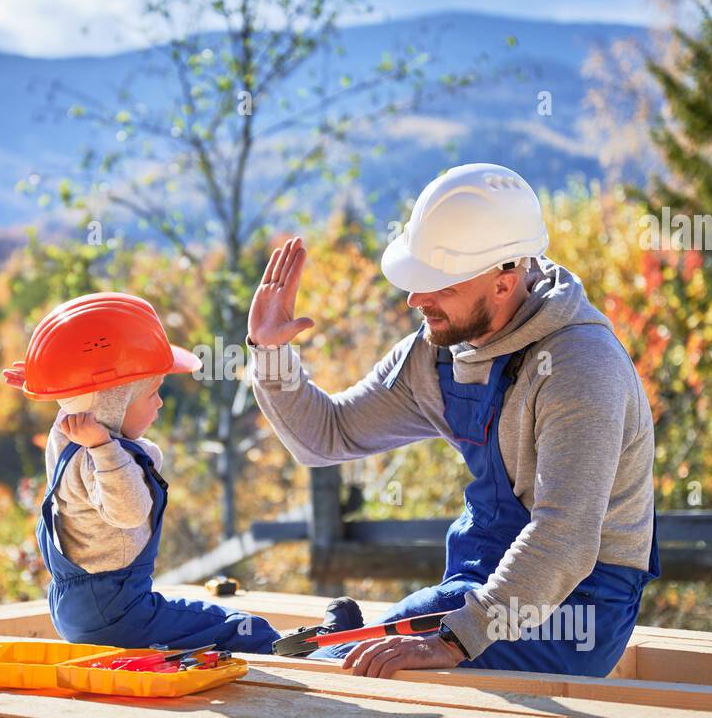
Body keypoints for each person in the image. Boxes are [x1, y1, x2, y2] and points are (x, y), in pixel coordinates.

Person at [246, 163, 661, 679]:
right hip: (474, 596)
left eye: (437, 285)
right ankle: (330, 646)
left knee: (352, 667)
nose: (415, 300)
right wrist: (269, 355)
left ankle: (326, 651)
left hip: (574, 613)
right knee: (365, 653)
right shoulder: (439, 350)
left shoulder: (578, 365)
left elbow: (566, 539)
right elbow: (326, 436)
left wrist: (453, 639)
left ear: (505, 281)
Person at [3, 291, 360, 652]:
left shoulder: (66, 440)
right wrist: (103, 447)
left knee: (199, 632)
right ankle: (317, 649)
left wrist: (53, 380)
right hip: (120, 614)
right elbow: (129, 511)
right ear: (116, 402)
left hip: (74, 611)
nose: (159, 402)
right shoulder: (99, 455)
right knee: (240, 628)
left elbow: (86, 401)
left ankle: (295, 644)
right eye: (152, 393)